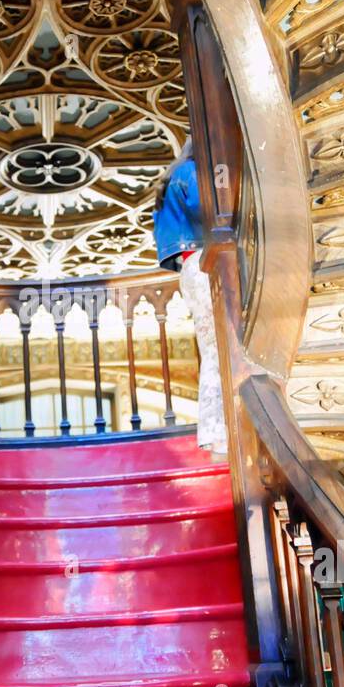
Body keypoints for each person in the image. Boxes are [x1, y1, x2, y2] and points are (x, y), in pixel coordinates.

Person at [153, 141, 228, 458]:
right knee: (218, 348)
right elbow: (210, 209)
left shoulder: (172, 178)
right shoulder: (189, 173)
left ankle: (217, 432)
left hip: (190, 265)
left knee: (212, 348)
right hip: (203, 260)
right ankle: (219, 429)